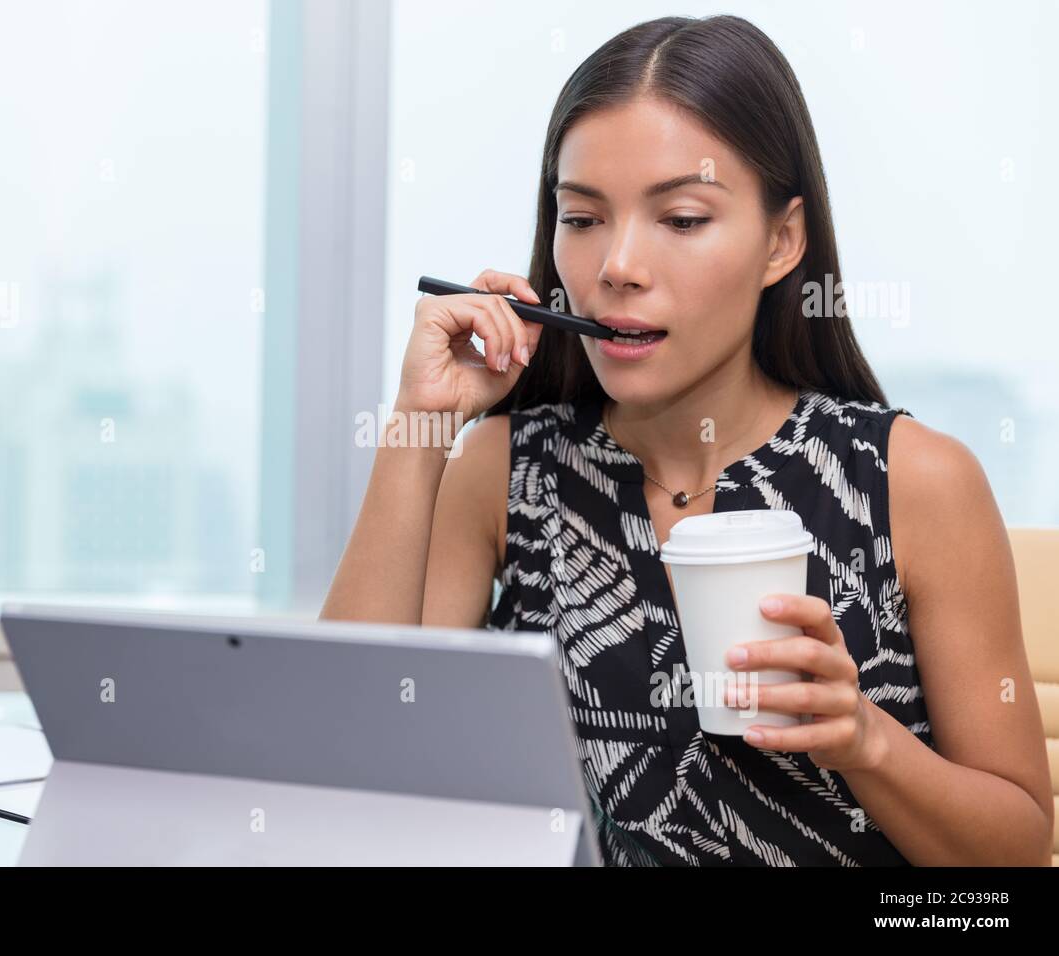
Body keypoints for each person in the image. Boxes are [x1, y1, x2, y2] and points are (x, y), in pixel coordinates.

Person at [320, 14, 1052, 866]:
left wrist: (864, 741)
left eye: (682, 219)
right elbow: (344, 765)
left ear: (782, 241)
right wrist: (420, 424)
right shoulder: (501, 469)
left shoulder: (914, 482)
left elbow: (1015, 858)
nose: (617, 265)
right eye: (583, 219)